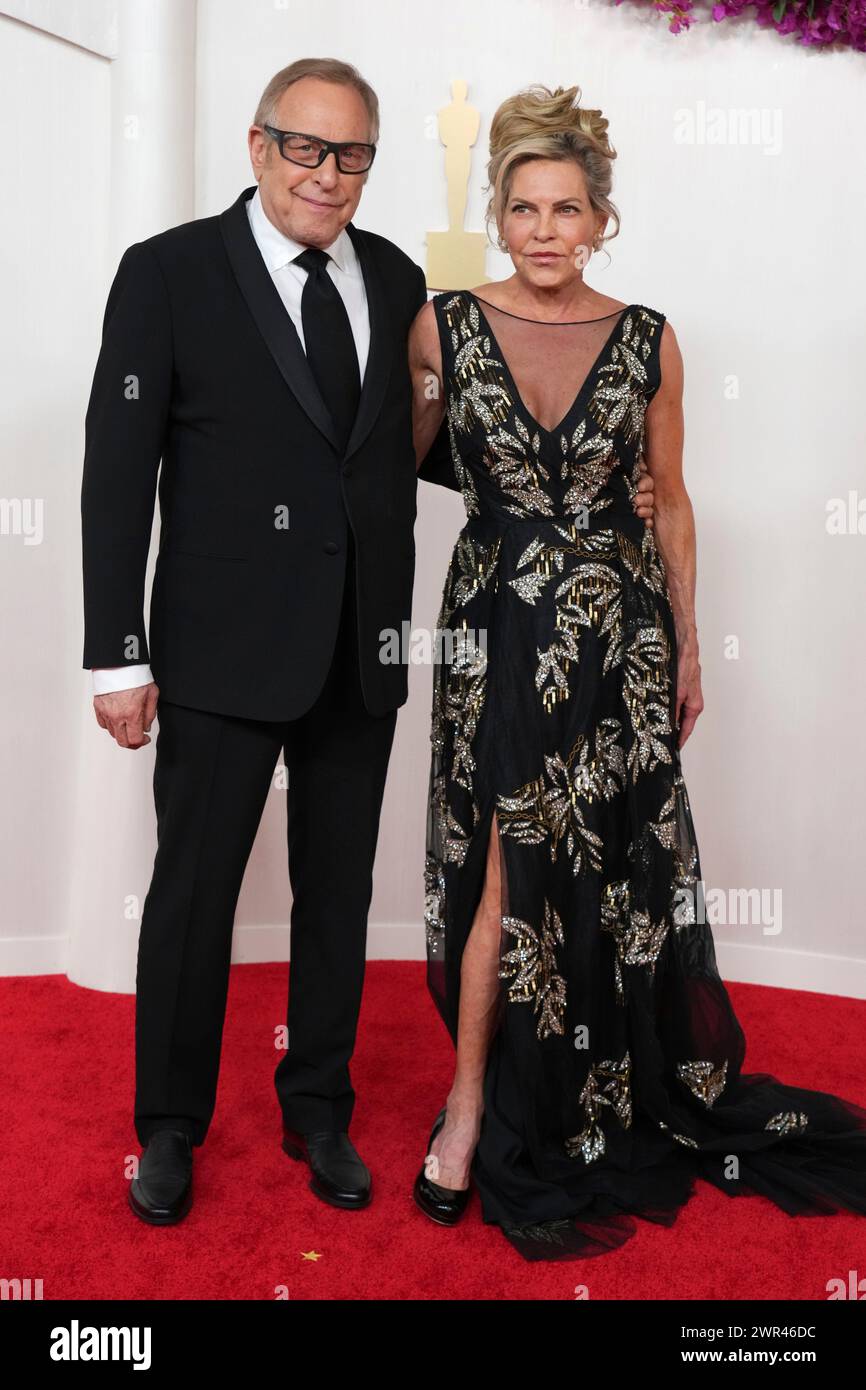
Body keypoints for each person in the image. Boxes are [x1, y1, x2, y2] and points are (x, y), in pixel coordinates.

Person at [80, 54, 660, 1227]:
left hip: (362, 647)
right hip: (217, 649)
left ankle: (317, 1110)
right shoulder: (169, 272)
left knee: (334, 892)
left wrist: (600, 482)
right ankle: (171, 1126)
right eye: (305, 147)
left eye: (350, 155)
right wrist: (117, 652)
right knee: (192, 893)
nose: (326, 174)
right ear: (257, 148)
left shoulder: (400, 282)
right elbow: (113, 470)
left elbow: (438, 443)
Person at [409, 82, 866, 1261]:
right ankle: (469, 1107)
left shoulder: (647, 335)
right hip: (495, 629)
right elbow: (394, 465)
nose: (545, 230)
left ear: (602, 217)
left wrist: (689, 640)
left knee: (610, 864)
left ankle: (595, 1090)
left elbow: (673, 505)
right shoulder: (440, 324)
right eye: (523, 208)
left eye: (568, 208)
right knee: (506, 867)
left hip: (617, 639)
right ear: (497, 215)